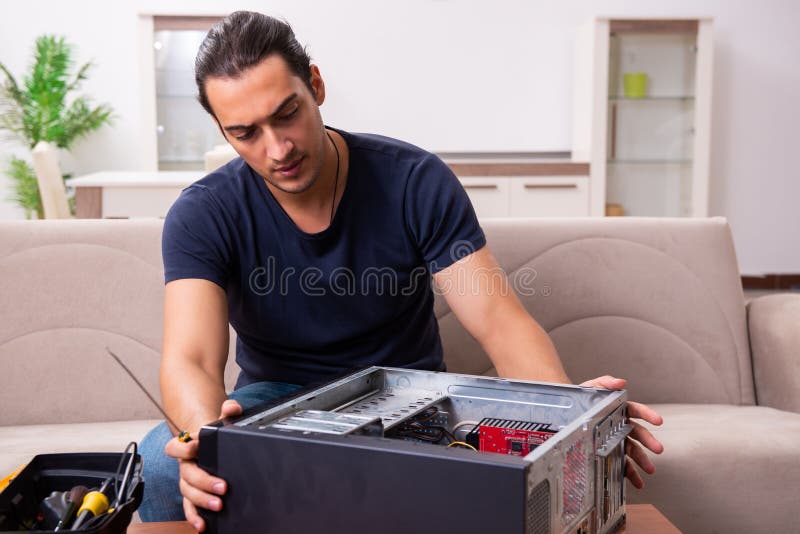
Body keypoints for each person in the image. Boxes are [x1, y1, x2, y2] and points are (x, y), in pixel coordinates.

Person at [139, 11, 663, 531]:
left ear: (316, 85)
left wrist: (570, 417)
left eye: (286, 114)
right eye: (246, 133)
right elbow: (191, 359)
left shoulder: (414, 180)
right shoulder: (203, 212)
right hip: (275, 400)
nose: (277, 149)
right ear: (221, 130)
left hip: (410, 398)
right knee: (162, 467)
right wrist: (207, 440)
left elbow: (500, 322)